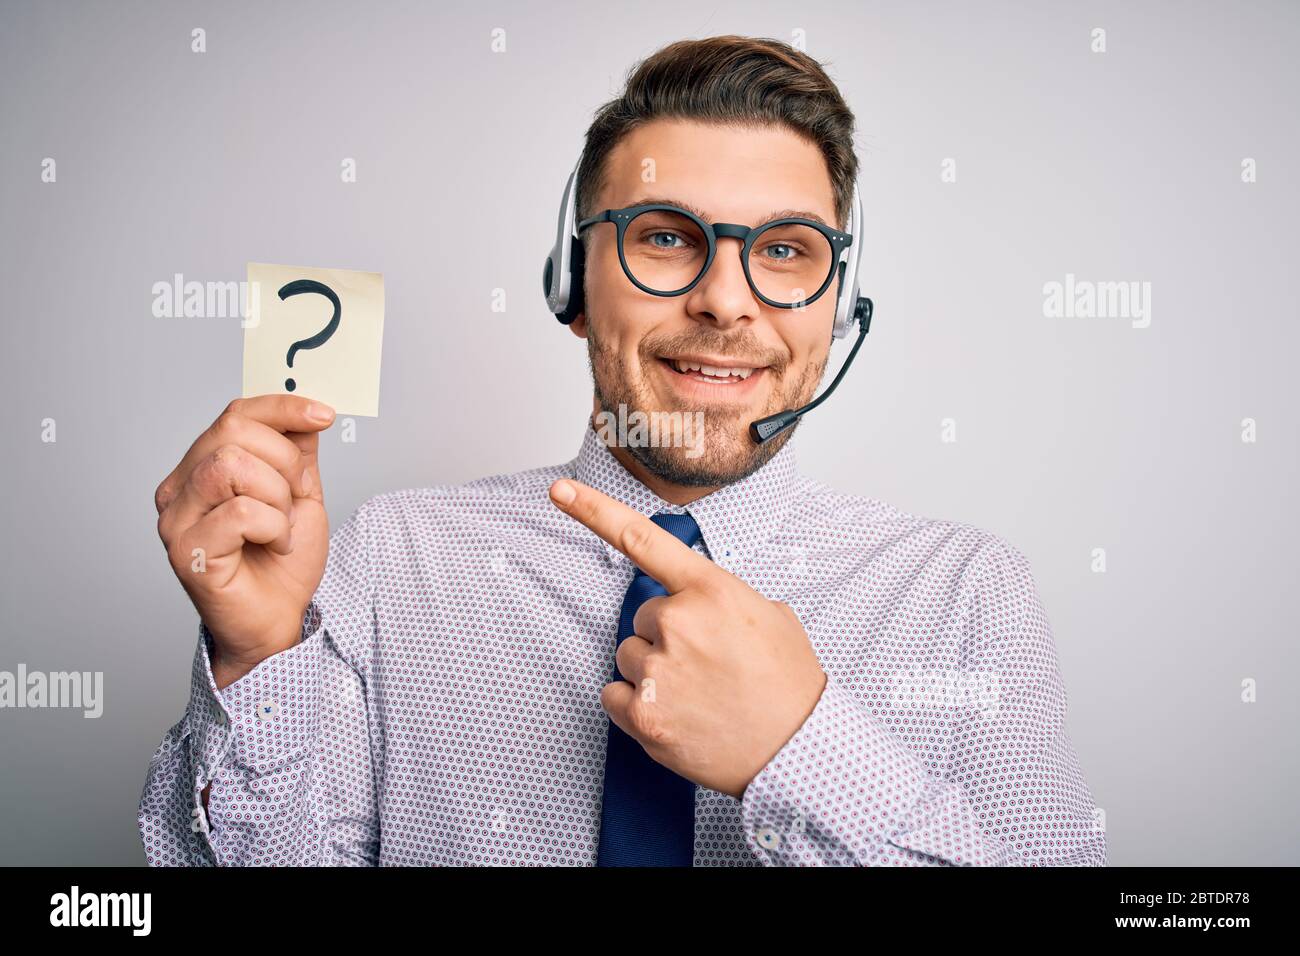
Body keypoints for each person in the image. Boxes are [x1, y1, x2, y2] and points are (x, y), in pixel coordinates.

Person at [140, 35, 1105, 866]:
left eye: (785, 251)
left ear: (837, 306)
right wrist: (258, 655)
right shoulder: (392, 559)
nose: (726, 301)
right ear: (574, 283)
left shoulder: (969, 595)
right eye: (666, 237)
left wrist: (797, 747)